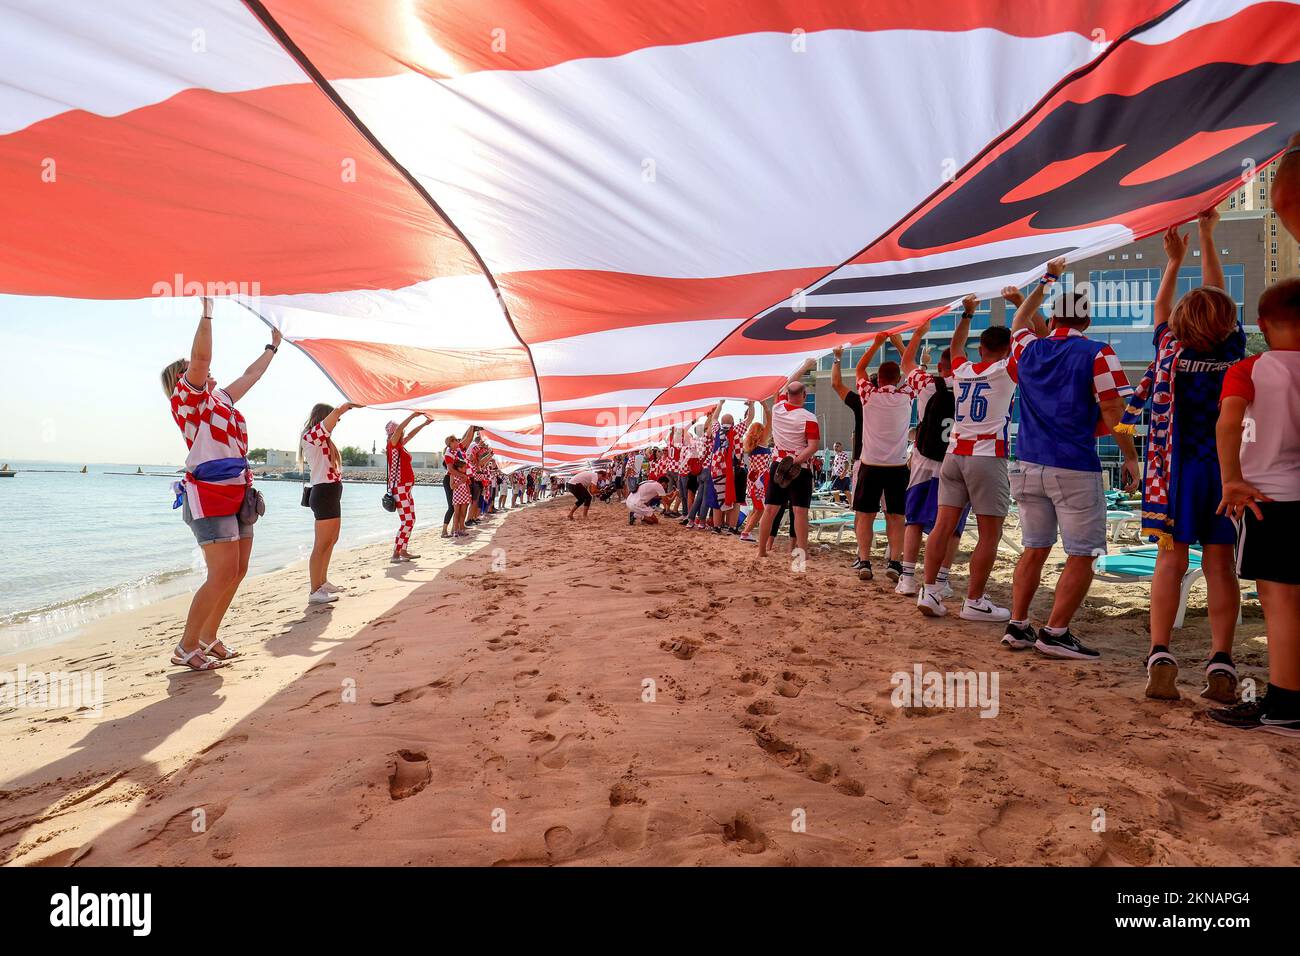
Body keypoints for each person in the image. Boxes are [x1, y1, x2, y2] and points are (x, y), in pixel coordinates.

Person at [1116, 211, 1243, 700]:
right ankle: (1221, 659)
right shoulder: (1232, 349)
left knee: (1169, 561)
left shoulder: (1168, 348)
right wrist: (1208, 237)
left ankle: (1161, 651)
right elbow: (1216, 296)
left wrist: (1174, 261)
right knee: (1220, 566)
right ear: (1226, 322)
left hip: (1172, 473)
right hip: (1224, 470)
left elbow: (1164, 308)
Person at [1003, 257, 1139, 659]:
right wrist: (1131, 457)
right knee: (1083, 551)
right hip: (1073, 465)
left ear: (1054, 317)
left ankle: (1018, 624)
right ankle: (1056, 631)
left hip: (1027, 462)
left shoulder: (1028, 349)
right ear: (1088, 321)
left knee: (1034, 547)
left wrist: (1046, 281)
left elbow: (1020, 326)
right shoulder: (1097, 352)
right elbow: (1114, 411)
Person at [161, 297, 279, 670]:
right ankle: (185, 646)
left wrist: (272, 346)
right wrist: (207, 313)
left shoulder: (221, 400)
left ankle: (208, 637)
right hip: (208, 497)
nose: (210, 372)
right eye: (195, 371)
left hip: (238, 493)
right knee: (222, 572)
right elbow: (200, 362)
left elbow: (252, 375)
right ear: (183, 378)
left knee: (238, 570)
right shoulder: (188, 402)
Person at [1210, 277, 1300, 735]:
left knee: (1280, 601)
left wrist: (1231, 480)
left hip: (1269, 498)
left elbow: (1227, 423)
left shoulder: (1249, 369)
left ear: (1263, 324)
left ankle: (1286, 704)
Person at [917, 294, 1017, 623]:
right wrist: (1023, 300)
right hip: (986, 456)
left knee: (942, 527)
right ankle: (974, 600)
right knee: (990, 533)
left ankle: (929, 591)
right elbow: (1033, 338)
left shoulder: (962, 370)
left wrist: (968, 314)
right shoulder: (1006, 370)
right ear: (1007, 348)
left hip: (954, 453)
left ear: (981, 349)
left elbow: (955, 346)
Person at [852, 326, 927, 580]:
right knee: (896, 516)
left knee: (866, 515)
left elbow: (860, 370)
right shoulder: (906, 395)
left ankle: (864, 561)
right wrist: (899, 344)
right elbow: (913, 372)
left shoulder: (868, 395)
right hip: (896, 466)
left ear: (879, 379)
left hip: (870, 464)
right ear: (897, 380)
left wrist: (875, 344)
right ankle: (895, 563)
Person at [894, 333, 966, 600]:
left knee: (914, 520)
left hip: (925, 462)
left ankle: (909, 577)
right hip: (956, 461)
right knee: (952, 526)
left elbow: (906, 363)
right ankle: (942, 580)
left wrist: (919, 333)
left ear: (940, 367)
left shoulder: (926, 383)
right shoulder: (969, 382)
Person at [758, 358, 819, 559]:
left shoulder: (778, 408)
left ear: (787, 396)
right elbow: (812, 447)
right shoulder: (809, 417)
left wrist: (803, 367)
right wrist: (796, 461)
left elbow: (785, 386)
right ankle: (802, 552)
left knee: (770, 509)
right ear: (804, 395)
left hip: (778, 463)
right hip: (798, 467)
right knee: (800, 511)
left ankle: (762, 551)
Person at [302, 401, 361, 603]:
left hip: (332, 492)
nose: (336, 424)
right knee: (321, 544)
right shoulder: (311, 437)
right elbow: (332, 419)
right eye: (334, 420)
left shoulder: (324, 440)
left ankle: (322, 581)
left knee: (331, 540)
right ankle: (314, 591)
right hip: (324, 492)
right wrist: (345, 407)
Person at [385, 412, 433, 562]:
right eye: (399, 431)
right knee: (407, 521)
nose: (402, 432)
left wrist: (424, 424)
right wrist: (413, 415)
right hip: (399, 488)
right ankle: (396, 553)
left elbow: (411, 434)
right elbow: (402, 429)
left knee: (411, 520)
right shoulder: (392, 445)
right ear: (394, 432)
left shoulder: (399, 445)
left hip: (405, 489)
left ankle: (403, 550)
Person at [739, 404, 774, 543]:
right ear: (760, 431)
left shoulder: (750, 445)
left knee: (756, 508)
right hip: (761, 477)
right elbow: (770, 421)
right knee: (760, 509)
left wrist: (752, 406)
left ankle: (745, 531)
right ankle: (746, 533)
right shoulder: (762, 442)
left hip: (752, 477)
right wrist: (766, 406)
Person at [441, 424, 475, 537]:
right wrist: (463, 476)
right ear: (449, 443)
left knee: (461, 508)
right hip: (450, 479)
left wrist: (472, 427)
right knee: (452, 507)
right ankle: (444, 530)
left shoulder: (458, 449)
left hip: (460, 479)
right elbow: (450, 469)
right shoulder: (449, 453)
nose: (457, 442)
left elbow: (468, 439)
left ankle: (457, 529)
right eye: (454, 440)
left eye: (456, 440)